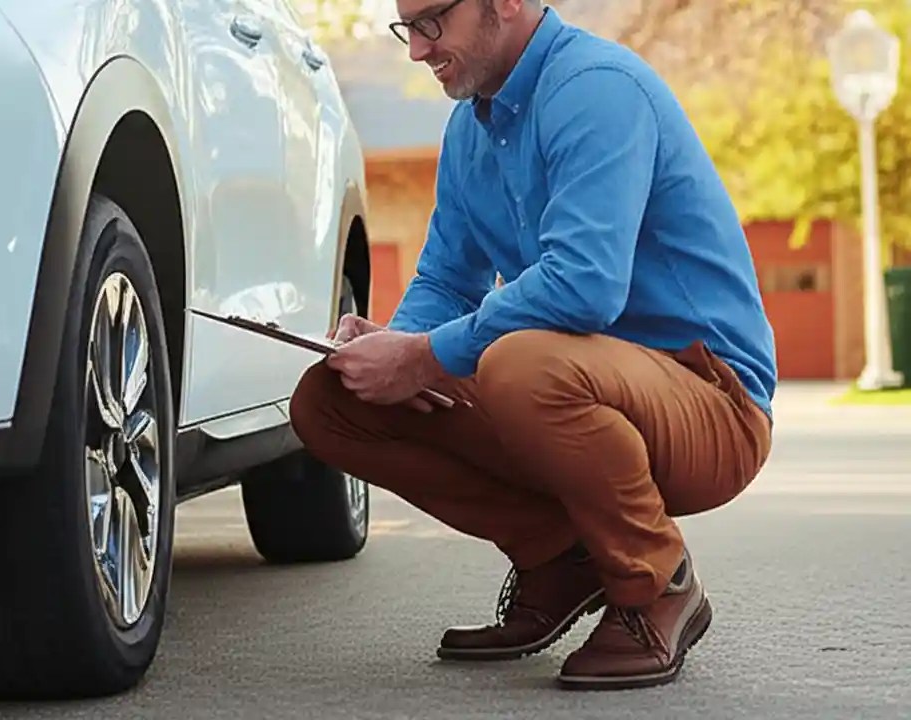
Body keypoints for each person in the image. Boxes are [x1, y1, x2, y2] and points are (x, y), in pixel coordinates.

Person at [289, 0, 776, 691]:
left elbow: (584, 287)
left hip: (711, 401)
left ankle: (656, 582)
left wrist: (425, 357)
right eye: (406, 28)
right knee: (332, 401)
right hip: (574, 381)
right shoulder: (470, 130)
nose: (417, 51)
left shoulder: (597, 88)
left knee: (520, 363)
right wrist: (395, 345)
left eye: (431, 23)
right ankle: (563, 559)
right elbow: (445, 279)